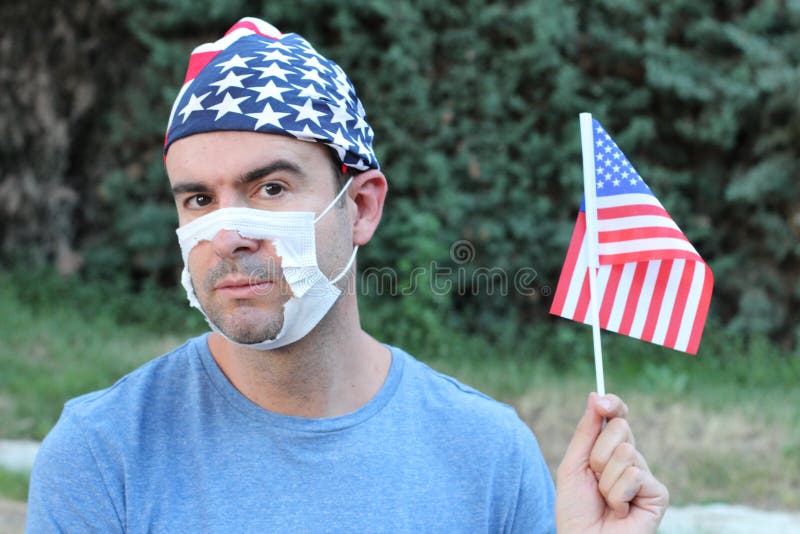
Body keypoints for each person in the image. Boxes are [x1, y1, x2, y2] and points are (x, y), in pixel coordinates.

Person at [27, 17, 668, 533]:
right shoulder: (103, 454)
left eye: (270, 188)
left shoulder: (490, 455)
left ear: (360, 206)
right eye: (198, 200)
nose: (226, 234)